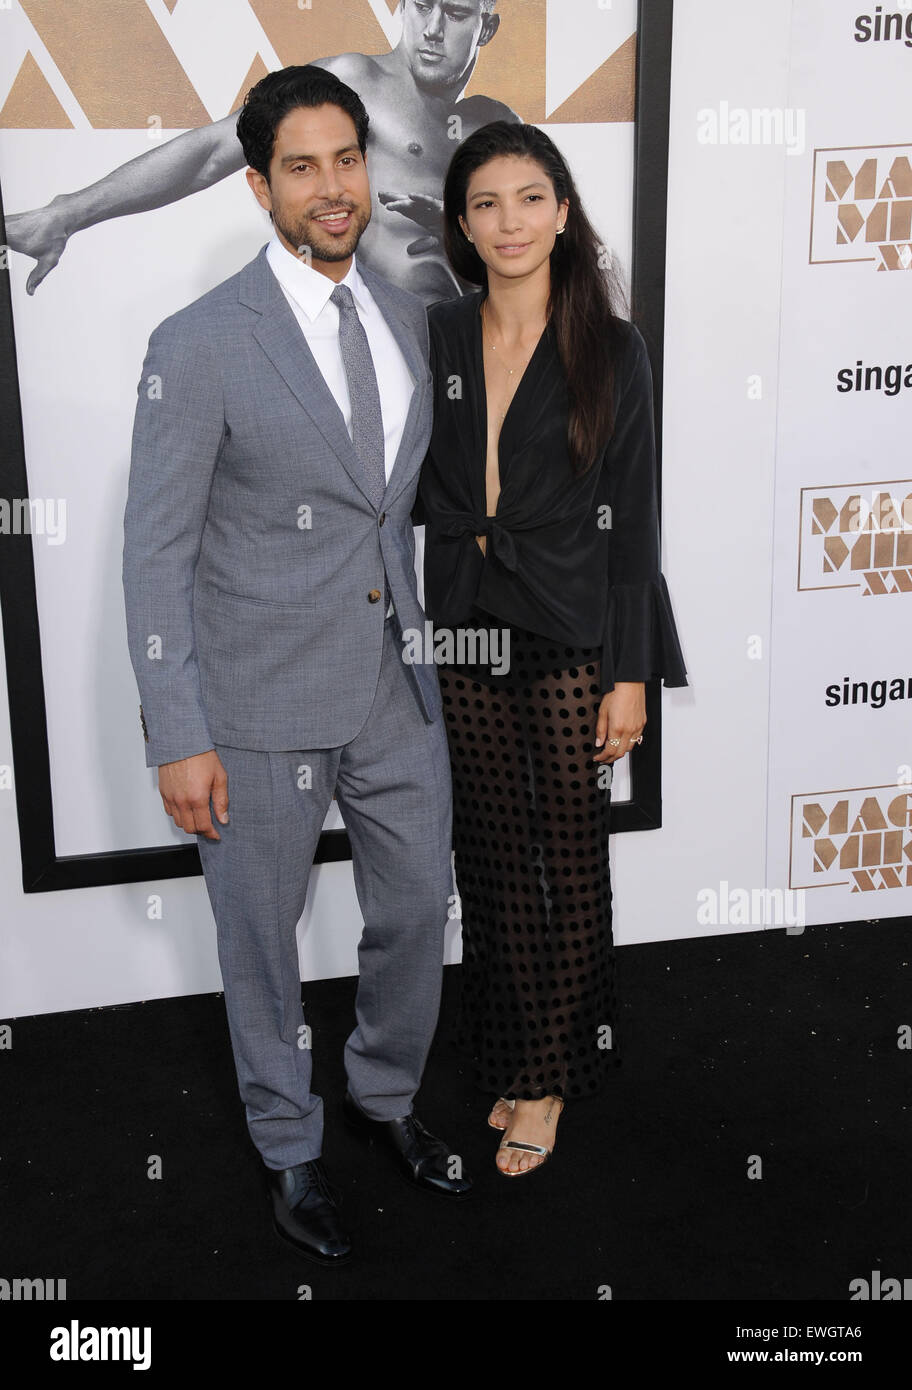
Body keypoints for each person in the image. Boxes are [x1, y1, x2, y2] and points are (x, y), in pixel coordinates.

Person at [121, 65, 470, 1268]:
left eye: (348, 160)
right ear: (261, 182)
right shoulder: (200, 342)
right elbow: (154, 552)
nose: (333, 188)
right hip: (257, 699)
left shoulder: (409, 314)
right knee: (262, 939)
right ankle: (289, 1144)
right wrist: (177, 727)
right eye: (304, 167)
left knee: (418, 907)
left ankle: (380, 1093)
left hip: (394, 684)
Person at [415, 120, 688, 1176]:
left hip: (574, 622)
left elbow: (635, 515)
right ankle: (514, 1052)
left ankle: (551, 1076)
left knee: (566, 856)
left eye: (529, 198)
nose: (508, 221)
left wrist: (631, 669)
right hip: (468, 612)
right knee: (487, 850)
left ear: (563, 211)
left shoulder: (612, 347)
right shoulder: (438, 332)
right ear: (462, 224)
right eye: (485, 203)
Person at [6, 0, 517, 304]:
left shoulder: (494, 123)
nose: (431, 30)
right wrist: (68, 213)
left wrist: (454, 228)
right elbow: (209, 153)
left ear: (486, 29)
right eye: (421, 5)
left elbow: (553, 254)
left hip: (470, 366)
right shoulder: (354, 81)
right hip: (374, 364)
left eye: (453, 13)